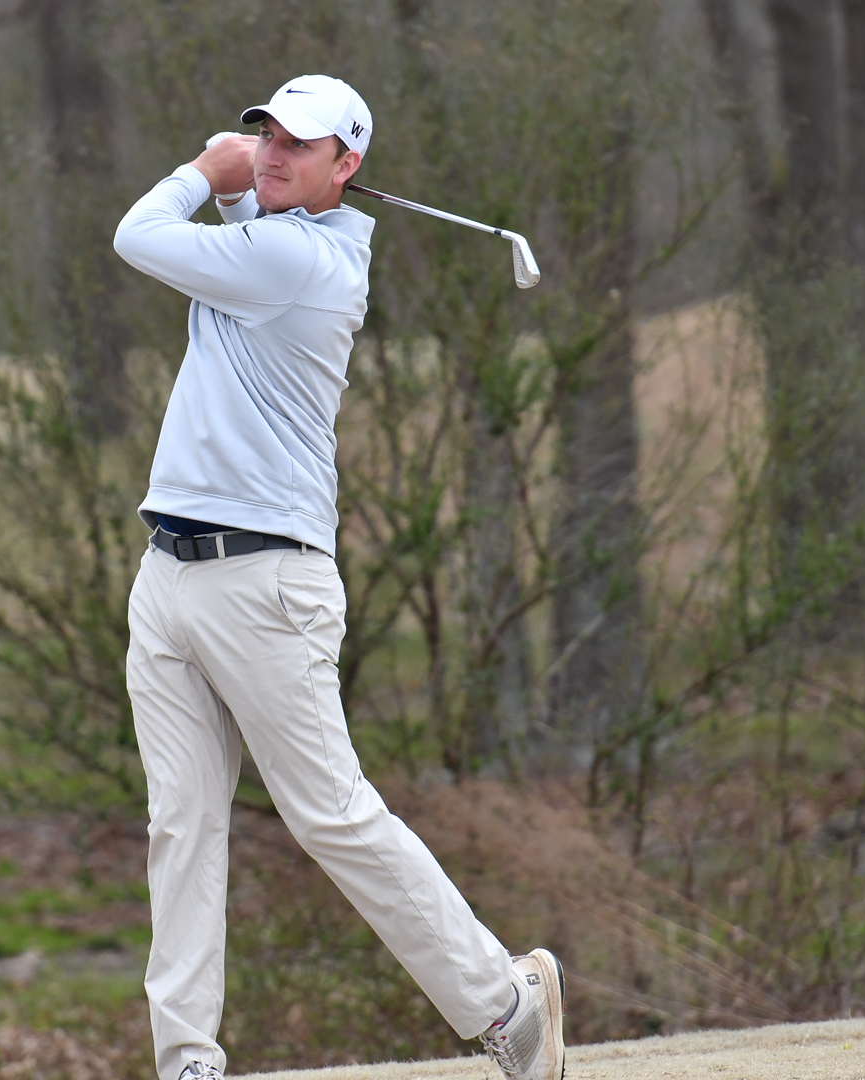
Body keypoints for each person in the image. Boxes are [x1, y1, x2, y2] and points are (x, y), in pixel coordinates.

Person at [111, 74, 566, 1080]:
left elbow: (137, 237)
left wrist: (199, 171)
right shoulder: (275, 236)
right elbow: (239, 224)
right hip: (171, 575)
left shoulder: (299, 262)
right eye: (263, 134)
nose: (272, 152)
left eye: (299, 145)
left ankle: (504, 1004)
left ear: (346, 167)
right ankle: (187, 1061)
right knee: (180, 826)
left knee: (329, 813)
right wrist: (238, 185)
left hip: (266, 584)